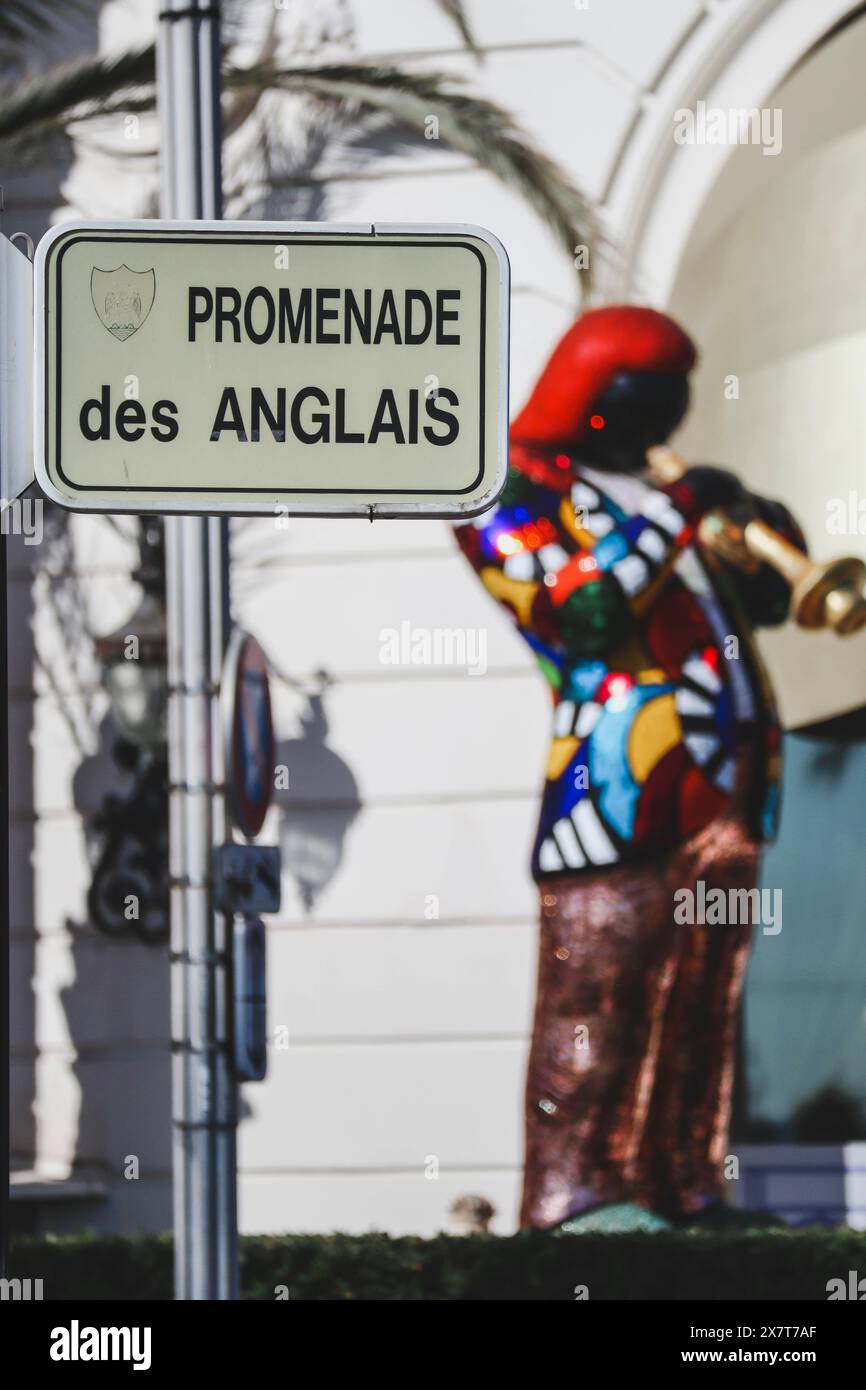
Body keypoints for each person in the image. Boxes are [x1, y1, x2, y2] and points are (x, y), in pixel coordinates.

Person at [454, 306, 806, 1228]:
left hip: (727, 791)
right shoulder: (508, 498)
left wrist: (761, 534)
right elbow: (588, 612)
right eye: (646, 387)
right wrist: (683, 513)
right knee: (598, 1001)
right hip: (612, 794)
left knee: (701, 1004)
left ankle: (686, 1179)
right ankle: (574, 1195)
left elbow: (766, 606)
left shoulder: (673, 502)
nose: (667, 411)